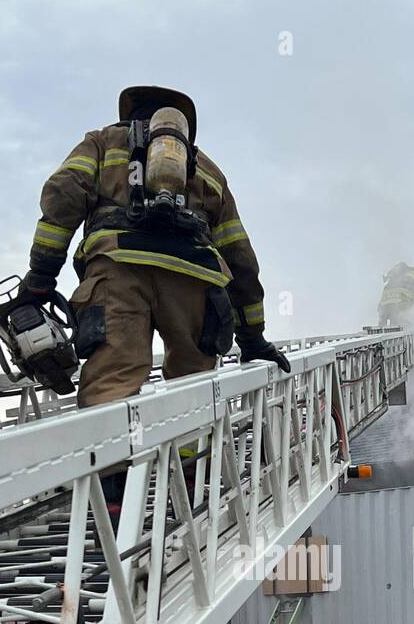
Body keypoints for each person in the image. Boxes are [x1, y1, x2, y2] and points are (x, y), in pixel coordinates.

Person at [20, 85, 289, 508]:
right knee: (194, 385)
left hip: (118, 268)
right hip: (195, 281)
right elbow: (240, 256)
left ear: (130, 115)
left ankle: (112, 504)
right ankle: (192, 490)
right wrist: (253, 336)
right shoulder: (208, 171)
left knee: (113, 378)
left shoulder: (104, 142)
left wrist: (39, 276)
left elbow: (64, 196)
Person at [377, 262, 414, 328]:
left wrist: (381, 307)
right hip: (402, 302)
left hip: (385, 303)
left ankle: (381, 328)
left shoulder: (398, 275)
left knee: (386, 328)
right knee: (401, 326)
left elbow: (386, 289)